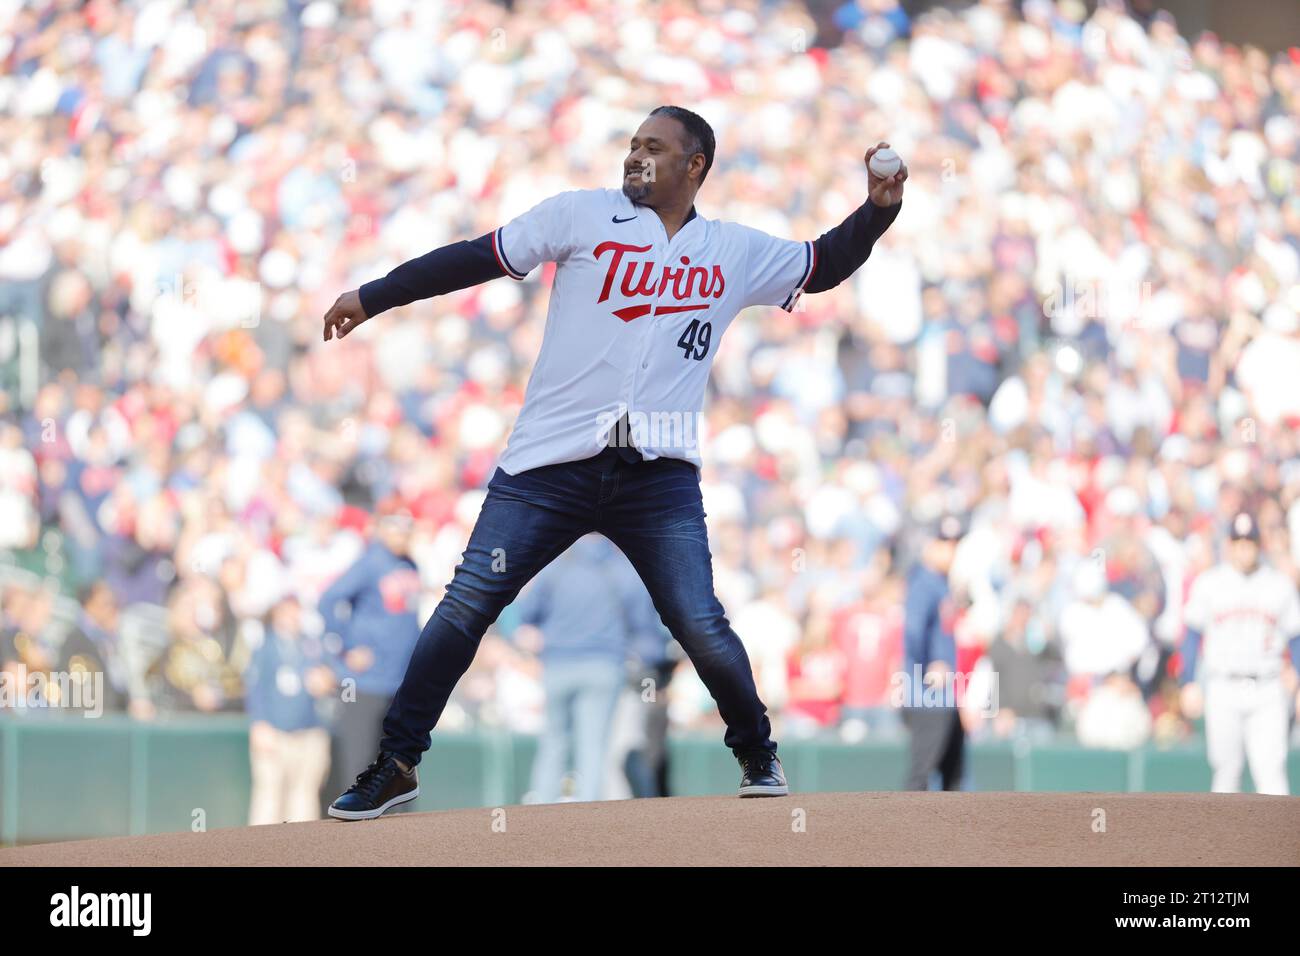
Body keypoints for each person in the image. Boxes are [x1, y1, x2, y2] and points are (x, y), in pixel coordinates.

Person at [321, 105, 906, 818]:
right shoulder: (581, 216)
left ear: (695, 166)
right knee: (466, 604)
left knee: (699, 622)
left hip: (656, 477)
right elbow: (475, 256)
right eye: (632, 145)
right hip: (549, 466)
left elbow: (822, 264)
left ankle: (757, 752)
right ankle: (397, 762)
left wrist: (877, 212)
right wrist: (374, 297)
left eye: (654, 148)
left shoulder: (731, 250)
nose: (635, 157)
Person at [1179, 512, 1300, 795]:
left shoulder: (1279, 585)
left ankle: (1278, 841)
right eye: (1238, 541)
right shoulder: (1210, 583)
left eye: (1250, 541)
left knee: (1271, 772)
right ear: (1229, 544)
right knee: (1225, 773)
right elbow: (1192, 635)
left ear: (1259, 544)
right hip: (1223, 686)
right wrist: (1188, 682)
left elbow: (1296, 638)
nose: (1244, 547)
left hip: (1267, 688)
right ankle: (1222, 841)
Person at [317, 496, 423, 814]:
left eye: (408, 525)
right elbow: (329, 600)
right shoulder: (370, 562)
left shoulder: (410, 564)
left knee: (400, 768)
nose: (403, 532)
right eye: (397, 525)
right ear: (380, 527)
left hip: (399, 683)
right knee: (360, 770)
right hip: (364, 685)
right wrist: (345, 649)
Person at [512, 534, 633, 803]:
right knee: (593, 745)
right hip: (604, 667)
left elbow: (525, 615)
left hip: (558, 664)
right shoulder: (622, 568)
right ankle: (587, 815)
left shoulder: (556, 566)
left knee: (554, 740)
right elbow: (644, 626)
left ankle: (542, 807)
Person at [244, 593, 335, 824]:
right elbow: (255, 687)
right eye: (286, 611)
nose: (292, 617)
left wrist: (326, 680)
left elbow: (334, 678)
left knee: (304, 797)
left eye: (295, 611)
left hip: (309, 731)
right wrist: (259, 723)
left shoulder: (312, 645)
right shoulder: (265, 646)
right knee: (269, 798)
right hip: (276, 732)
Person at [900, 514, 966, 791]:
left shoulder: (941, 583)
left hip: (944, 697)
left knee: (954, 775)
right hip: (926, 694)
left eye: (954, 543)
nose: (950, 549)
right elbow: (912, 630)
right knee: (922, 775)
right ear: (929, 545)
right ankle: (906, 833)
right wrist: (928, 665)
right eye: (944, 542)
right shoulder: (923, 582)